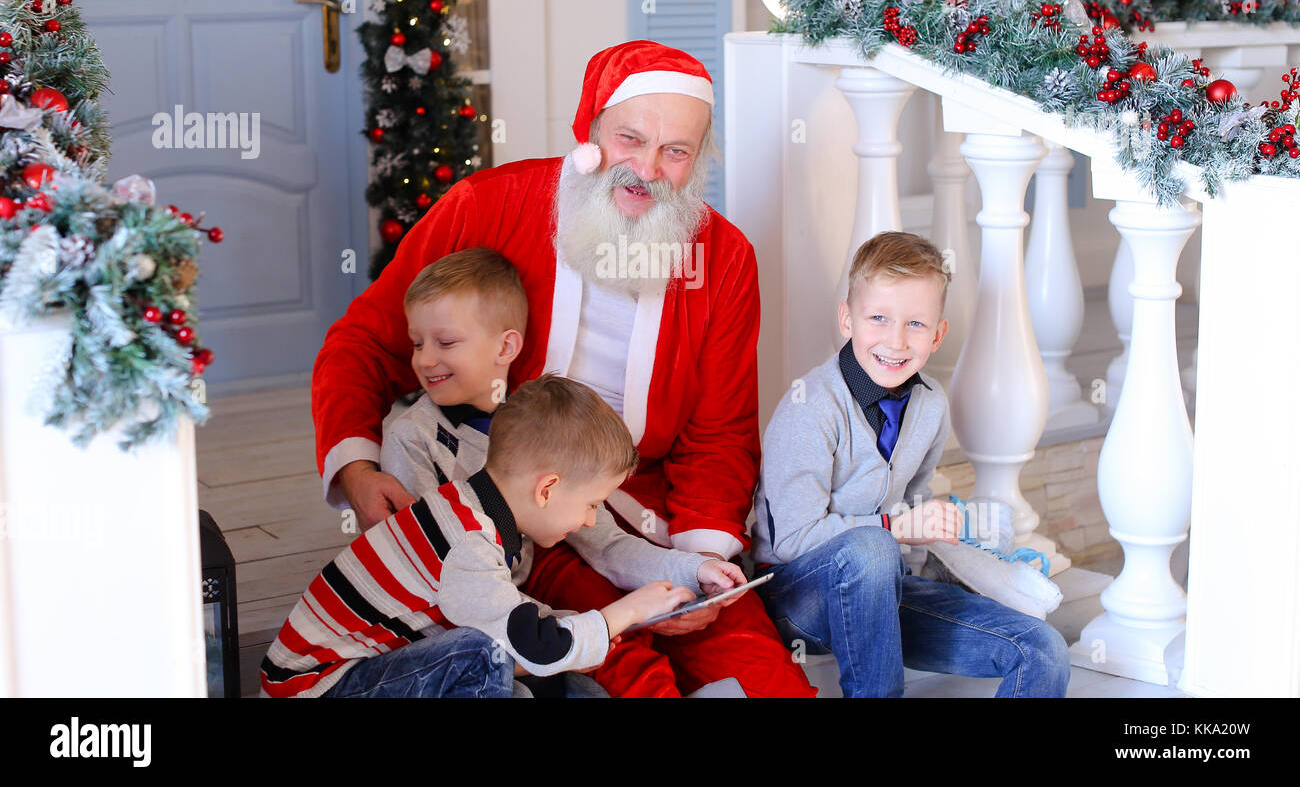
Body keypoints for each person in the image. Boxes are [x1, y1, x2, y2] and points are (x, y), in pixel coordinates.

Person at [310, 39, 816, 697]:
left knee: (759, 674)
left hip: (642, 510)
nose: (648, 171)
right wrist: (356, 467)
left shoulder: (722, 259)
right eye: (630, 139)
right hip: (500, 503)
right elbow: (364, 341)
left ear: (697, 161)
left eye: (676, 151)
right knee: (629, 669)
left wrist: (700, 559)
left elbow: (719, 434)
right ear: (591, 130)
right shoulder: (490, 205)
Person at [261, 375, 747, 698]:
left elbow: (519, 624)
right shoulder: (467, 545)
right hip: (321, 688)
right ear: (547, 489)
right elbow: (526, 644)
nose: (588, 521)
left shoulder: (475, 511)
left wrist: (675, 580)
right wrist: (626, 612)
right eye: (592, 505)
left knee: (573, 683)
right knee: (485, 654)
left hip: (382, 671)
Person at [753, 231, 1071, 697]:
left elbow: (915, 506)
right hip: (795, 598)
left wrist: (927, 566)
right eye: (878, 318)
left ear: (938, 334)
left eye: (916, 324)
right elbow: (792, 543)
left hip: (887, 593)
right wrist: (894, 530)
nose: (896, 341)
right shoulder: (811, 406)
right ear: (847, 319)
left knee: (1041, 648)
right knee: (872, 549)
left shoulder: (931, 405)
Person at [380, 246, 527, 498]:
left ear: (505, 347)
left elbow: (584, 509)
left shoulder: (538, 422)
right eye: (417, 343)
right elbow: (430, 533)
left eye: (446, 342)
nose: (424, 360)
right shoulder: (411, 438)